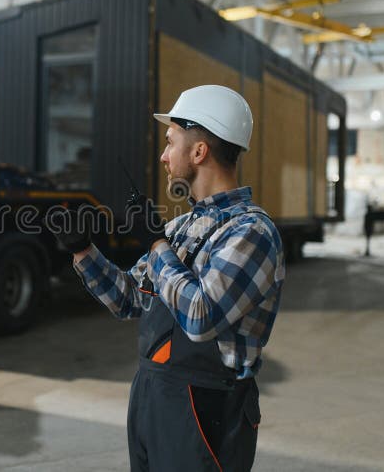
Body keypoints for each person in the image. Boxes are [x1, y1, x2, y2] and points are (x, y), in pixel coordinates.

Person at [49, 85, 285, 471]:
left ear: (198, 151)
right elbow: (131, 299)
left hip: (206, 408)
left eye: (170, 142)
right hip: (153, 394)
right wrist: (82, 251)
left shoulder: (251, 232)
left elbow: (201, 316)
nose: (162, 155)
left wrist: (158, 246)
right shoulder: (181, 227)